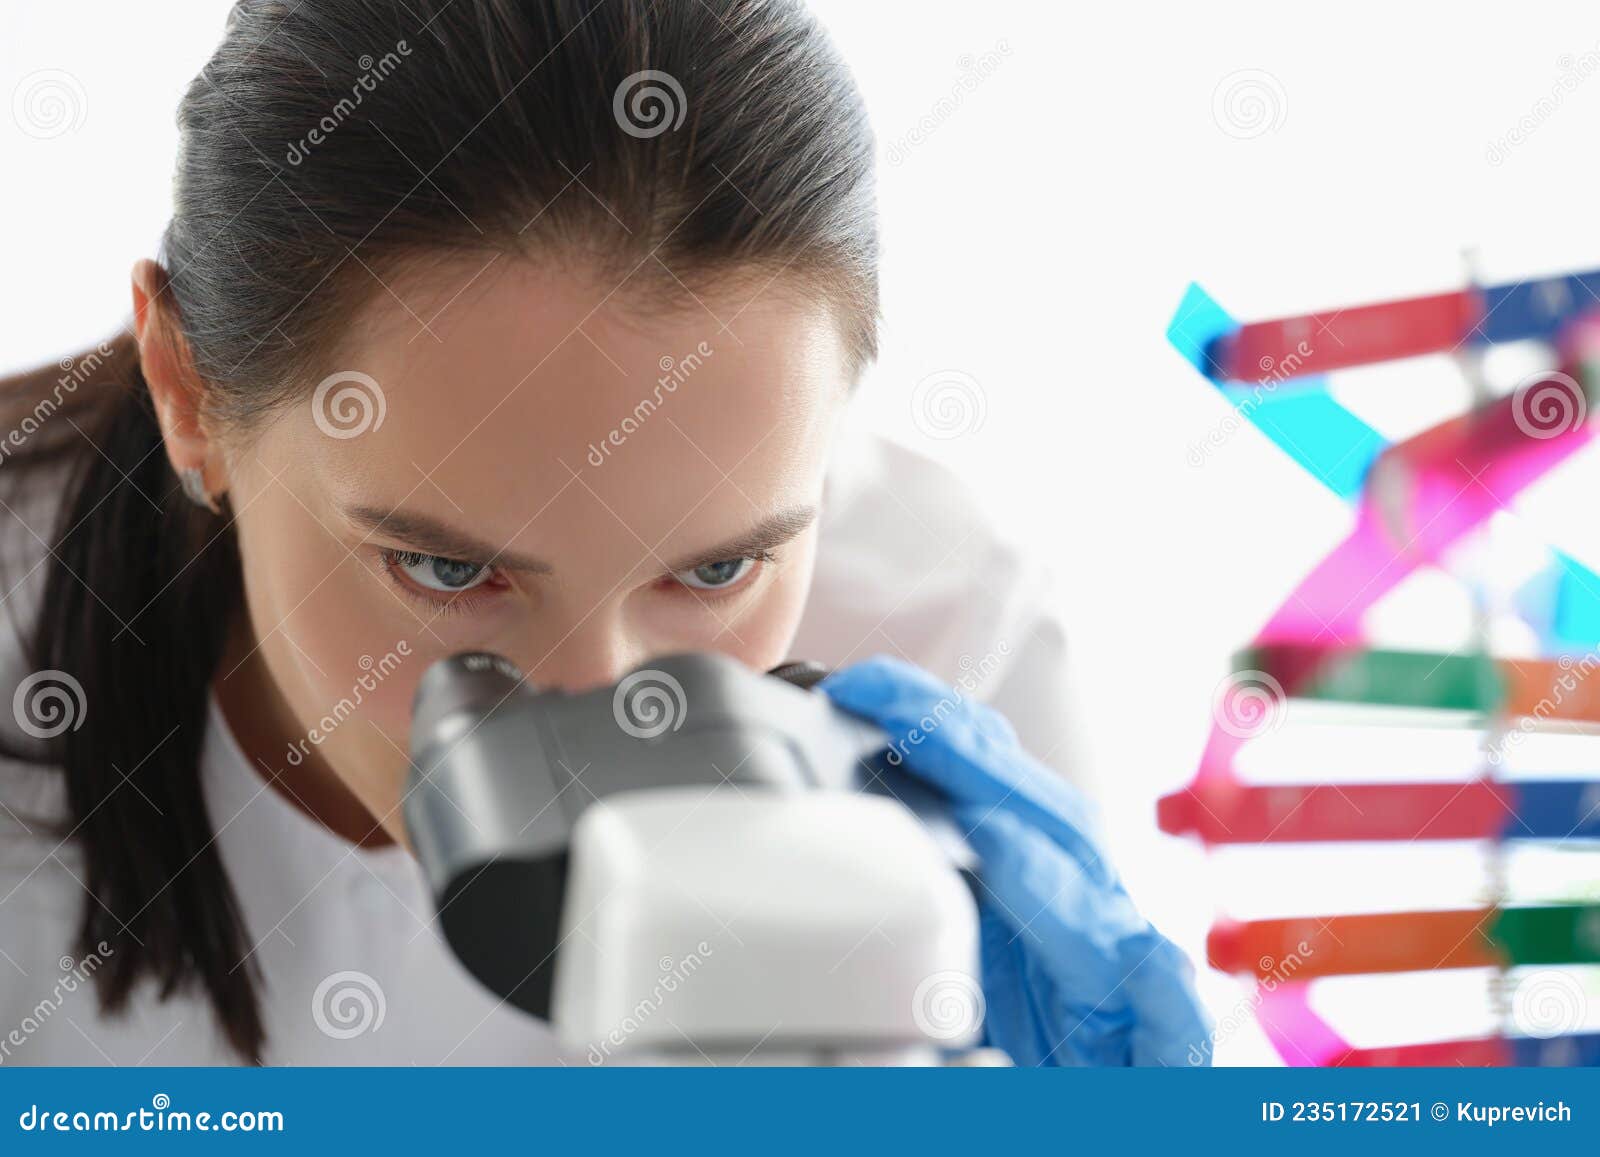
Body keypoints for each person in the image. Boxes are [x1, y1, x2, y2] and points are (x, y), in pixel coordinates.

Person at [0, 0, 1205, 1066]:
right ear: (190, 392)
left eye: (718, 568)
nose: (600, 709)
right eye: (445, 567)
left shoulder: (948, 637)